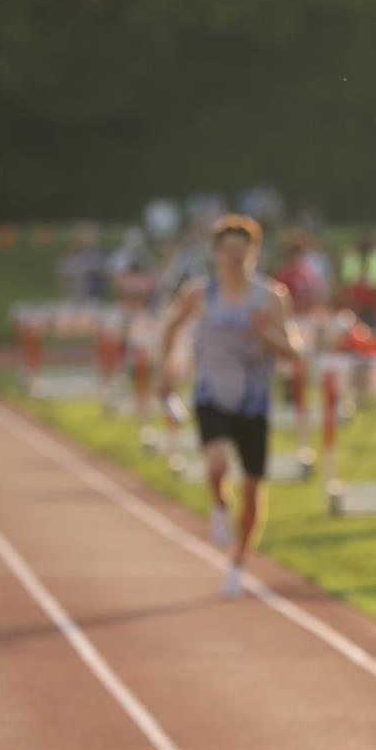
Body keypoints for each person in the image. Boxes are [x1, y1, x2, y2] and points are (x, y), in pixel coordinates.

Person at [157, 214, 305, 598]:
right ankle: (220, 505)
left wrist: (265, 333)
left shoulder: (270, 297)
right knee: (217, 462)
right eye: (228, 251)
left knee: (253, 492)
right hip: (211, 394)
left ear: (254, 253)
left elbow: (294, 351)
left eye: (242, 251)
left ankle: (237, 564)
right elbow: (170, 327)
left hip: (253, 403)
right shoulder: (200, 293)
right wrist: (167, 370)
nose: (235, 258)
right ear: (216, 254)